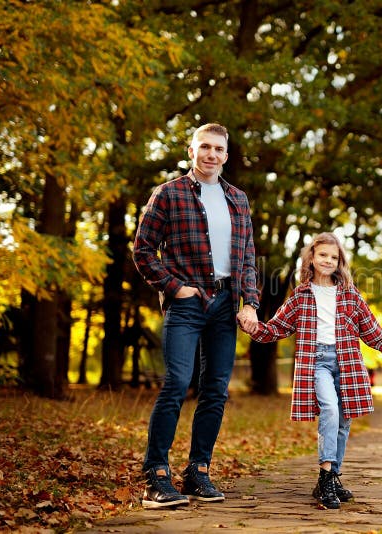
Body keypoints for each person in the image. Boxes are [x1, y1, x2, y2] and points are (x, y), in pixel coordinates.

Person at [132, 123, 260, 509]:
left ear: (226, 155)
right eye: (204, 147)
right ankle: (156, 475)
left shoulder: (238, 199)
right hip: (187, 302)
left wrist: (250, 302)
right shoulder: (168, 193)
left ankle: (197, 471)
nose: (211, 155)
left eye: (219, 149)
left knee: (216, 391)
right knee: (176, 382)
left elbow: (248, 259)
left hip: (226, 304)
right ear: (192, 151)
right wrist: (174, 287)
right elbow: (142, 251)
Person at [245, 232, 382, 509]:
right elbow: (276, 328)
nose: (328, 261)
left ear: (340, 261)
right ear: (312, 258)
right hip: (316, 361)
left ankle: (332, 478)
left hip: (347, 361)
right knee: (330, 409)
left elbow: (370, 328)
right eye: (323, 256)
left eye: (334, 257)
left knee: (343, 419)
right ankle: (326, 474)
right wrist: (253, 326)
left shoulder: (350, 294)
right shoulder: (301, 295)